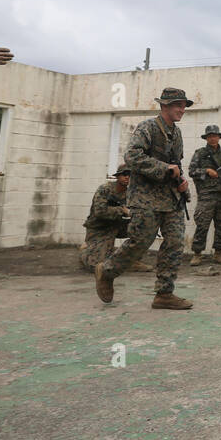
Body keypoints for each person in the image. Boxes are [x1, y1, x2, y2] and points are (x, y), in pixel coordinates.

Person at [95, 88, 194, 310]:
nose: (181, 109)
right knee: (140, 242)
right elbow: (132, 156)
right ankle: (107, 271)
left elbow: (175, 165)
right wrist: (164, 168)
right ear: (164, 106)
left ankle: (164, 293)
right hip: (145, 198)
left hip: (171, 199)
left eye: (184, 105)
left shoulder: (176, 134)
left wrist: (182, 183)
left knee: (176, 242)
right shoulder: (148, 127)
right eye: (177, 105)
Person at [78, 164, 151, 273]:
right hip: (99, 228)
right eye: (124, 174)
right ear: (117, 176)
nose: (127, 177)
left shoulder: (132, 193)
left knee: (144, 228)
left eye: (130, 175)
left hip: (118, 226)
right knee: (96, 266)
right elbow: (99, 212)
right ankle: (85, 251)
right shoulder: (105, 189)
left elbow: (138, 211)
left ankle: (131, 261)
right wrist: (122, 210)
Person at [188, 125, 221, 267]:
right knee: (202, 225)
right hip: (206, 195)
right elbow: (191, 171)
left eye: (215, 136)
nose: (213, 138)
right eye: (210, 136)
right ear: (206, 138)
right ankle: (197, 254)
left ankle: (218, 254)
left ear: (219, 137)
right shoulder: (200, 153)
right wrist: (206, 170)